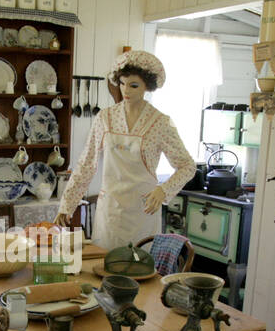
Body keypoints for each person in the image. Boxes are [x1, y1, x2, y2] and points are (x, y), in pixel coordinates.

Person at [55, 51, 197, 250]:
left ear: (148, 86)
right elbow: (86, 164)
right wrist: (67, 204)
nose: (125, 91)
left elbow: (187, 166)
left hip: (143, 211)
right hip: (110, 211)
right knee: (105, 267)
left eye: (133, 85)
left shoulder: (160, 123)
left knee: (140, 270)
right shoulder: (105, 118)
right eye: (122, 83)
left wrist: (163, 190)